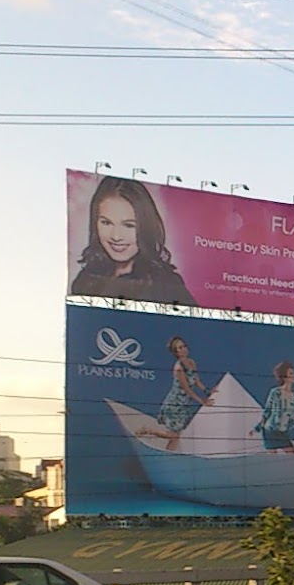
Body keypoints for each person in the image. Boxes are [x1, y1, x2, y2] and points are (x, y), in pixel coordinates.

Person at [69, 176, 196, 306]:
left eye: (128, 225)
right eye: (106, 223)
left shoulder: (166, 285)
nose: (116, 236)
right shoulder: (86, 279)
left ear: (145, 227)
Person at [145, 336, 212, 452]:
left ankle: (168, 456)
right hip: (175, 404)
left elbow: (197, 381)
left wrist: (207, 391)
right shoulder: (178, 368)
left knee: (175, 437)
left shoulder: (191, 362)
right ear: (176, 352)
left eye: (184, 346)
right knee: (174, 435)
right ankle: (148, 430)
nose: (184, 349)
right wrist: (202, 401)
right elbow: (187, 390)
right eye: (180, 348)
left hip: (184, 405)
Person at [254, 360, 294, 455]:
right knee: (271, 460)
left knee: (292, 456)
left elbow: (292, 416)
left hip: (282, 432)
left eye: (293, 373)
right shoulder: (275, 392)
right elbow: (267, 411)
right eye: (291, 373)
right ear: (284, 377)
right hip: (270, 431)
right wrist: (257, 428)